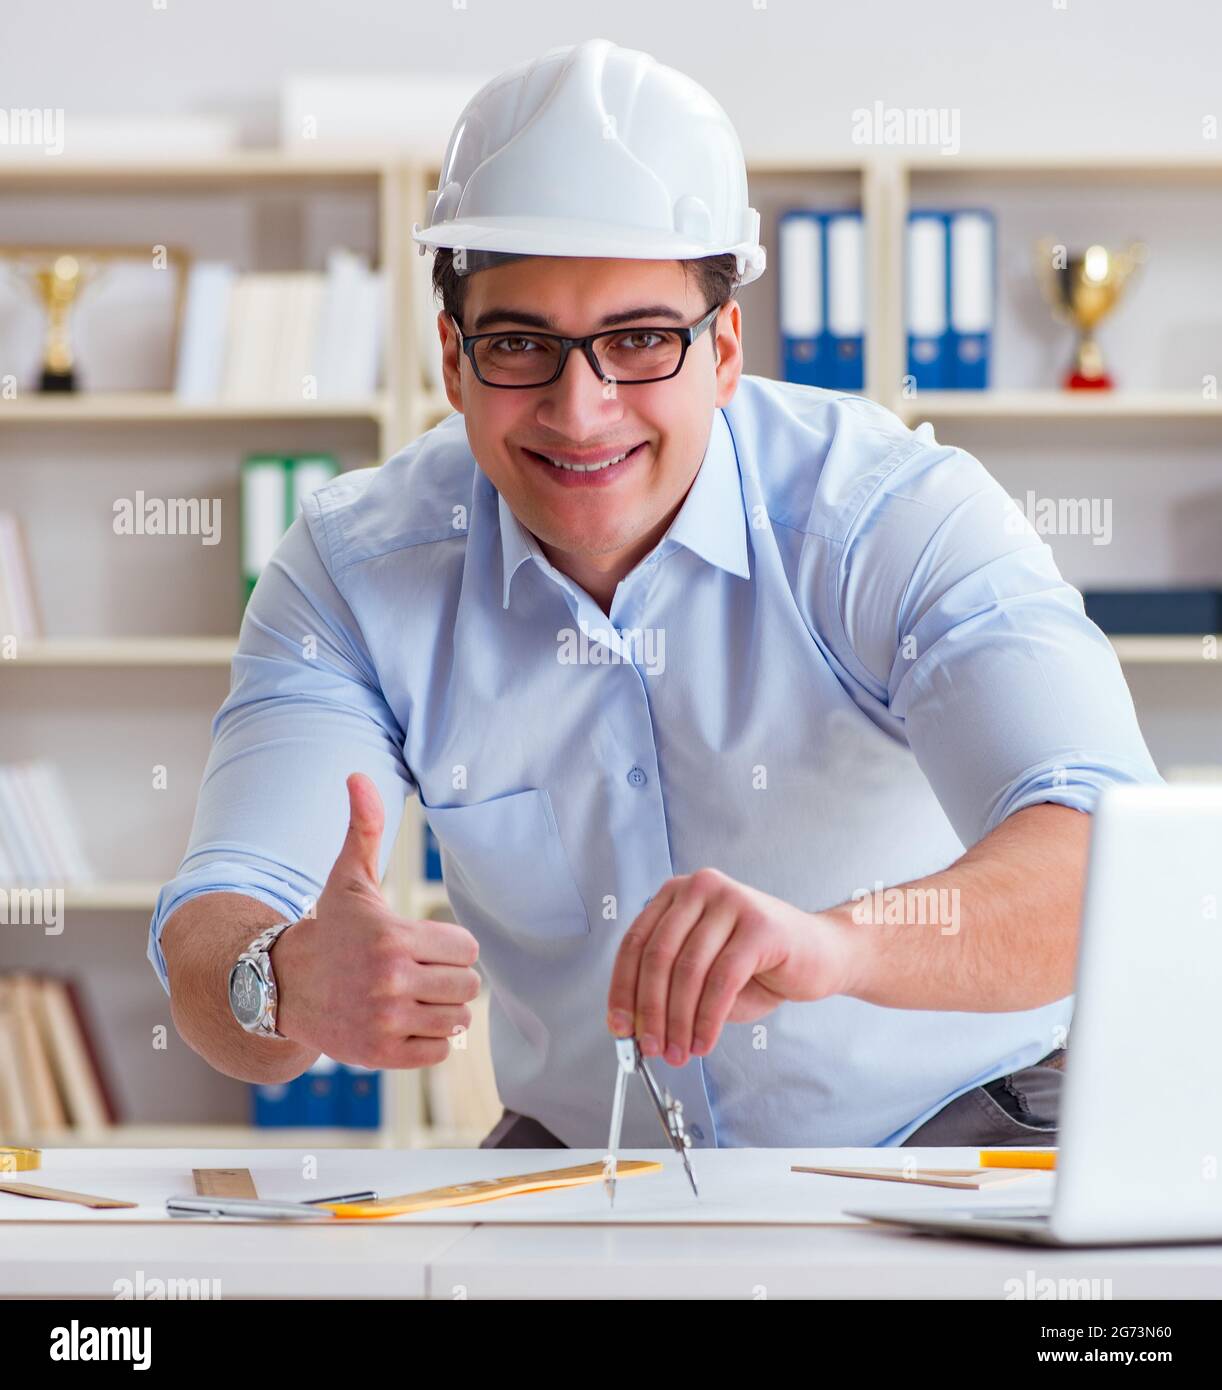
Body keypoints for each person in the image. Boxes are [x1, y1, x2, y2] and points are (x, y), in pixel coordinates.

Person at [149, 38, 1160, 1150]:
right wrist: (278, 982)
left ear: (723, 349)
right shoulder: (353, 570)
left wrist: (842, 946)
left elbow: (1107, 860)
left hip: (956, 1118)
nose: (580, 411)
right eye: (520, 343)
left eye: (638, 339)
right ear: (451, 357)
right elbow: (216, 918)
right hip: (587, 1153)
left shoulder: (889, 515)